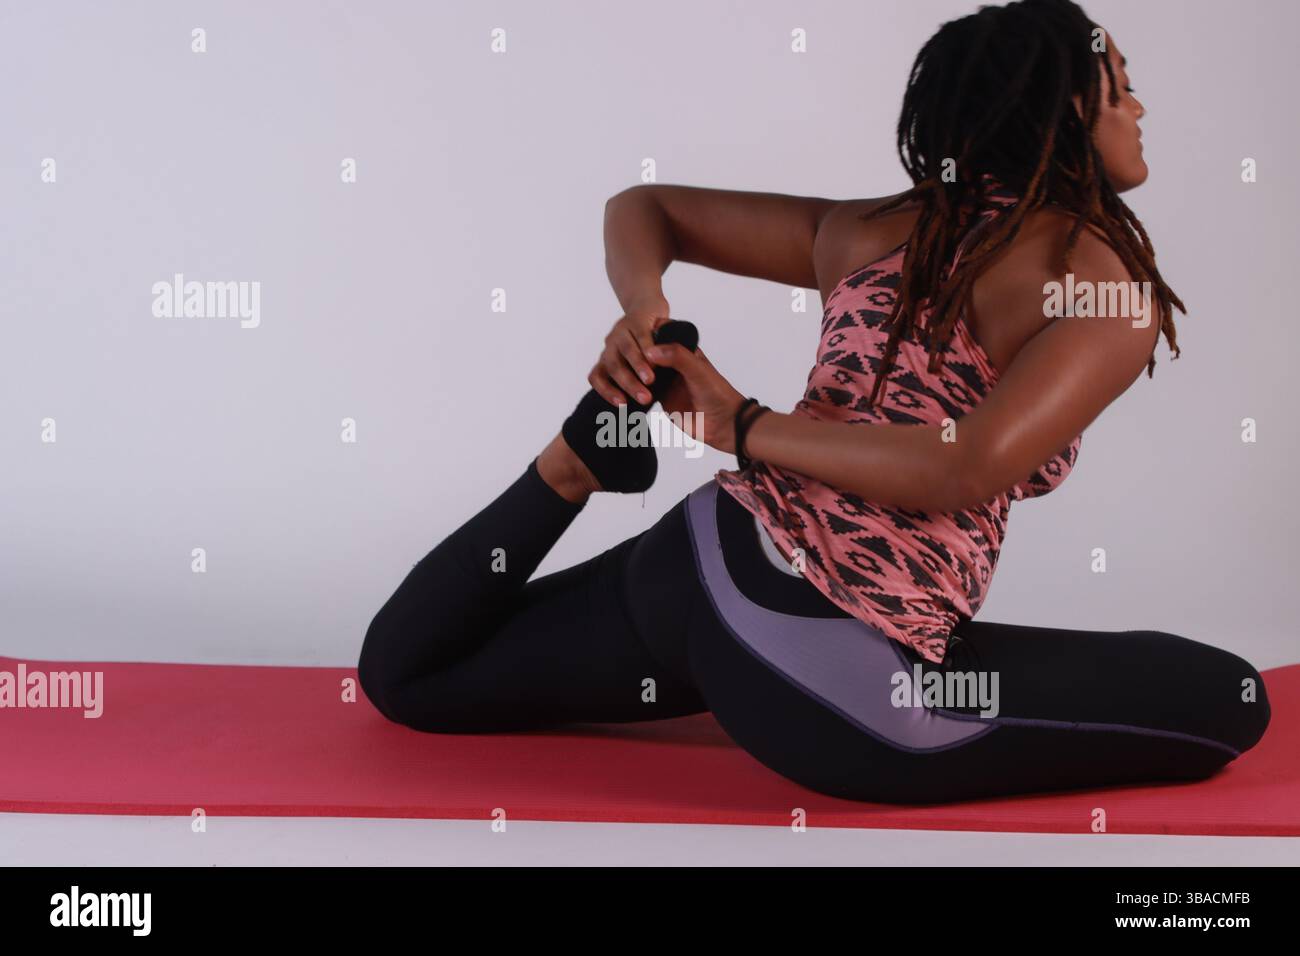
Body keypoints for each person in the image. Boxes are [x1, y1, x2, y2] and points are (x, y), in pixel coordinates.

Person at [357, 0, 1270, 804]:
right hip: (830, 659)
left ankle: (571, 466)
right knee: (1228, 697)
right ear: (1071, 108)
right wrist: (744, 425)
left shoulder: (866, 226)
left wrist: (646, 315)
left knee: (413, 676)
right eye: (1122, 90)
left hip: (705, 560)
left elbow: (646, 207)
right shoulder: (1098, 279)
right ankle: (879, 656)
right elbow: (961, 466)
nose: (1141, 109)